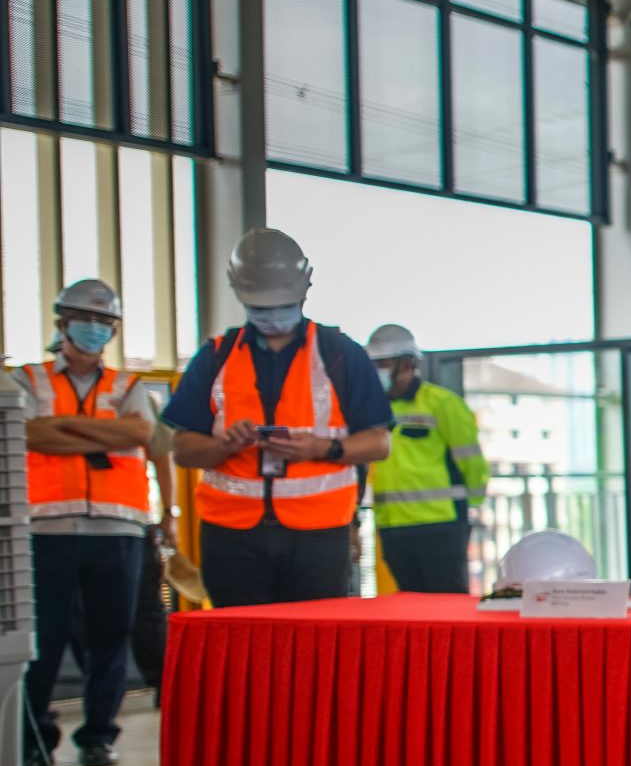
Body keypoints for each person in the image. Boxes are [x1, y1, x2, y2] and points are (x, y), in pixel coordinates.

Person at [164, 229, 392, 606]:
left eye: (282, 305)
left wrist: (322, 447)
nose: (272, 316)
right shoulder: (216, 357)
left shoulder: (340, 354)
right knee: (241, 649)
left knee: (313, 648)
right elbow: (183, 449)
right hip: (231, 535)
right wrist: (223, 445)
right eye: (261, 308)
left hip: (318, 534)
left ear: (304, 291)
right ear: (240, 295)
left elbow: (379, 443)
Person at [17, 280, 160, 766]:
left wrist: (61, 429)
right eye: (85, 318)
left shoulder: (129, 385)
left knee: (110, 636)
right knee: (42, 638)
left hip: (118, 528)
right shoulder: (27, 379)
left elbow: (140, 432)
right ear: (61, 322)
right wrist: (105, 434)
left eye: (105, 323)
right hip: (44, 529)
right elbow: (27, 433)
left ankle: (99, 735)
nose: (94, 329)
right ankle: (34, 739)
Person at [362, 323, 488, 594]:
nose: (376, 370)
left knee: (447, 608)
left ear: (406, 363)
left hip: (440, 525)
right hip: (392, 525)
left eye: (383, 363)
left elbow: (471, 462)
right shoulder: (371, 408)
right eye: (373, 363)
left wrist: (471, 505)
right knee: (407, 610)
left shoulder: (442, 403)